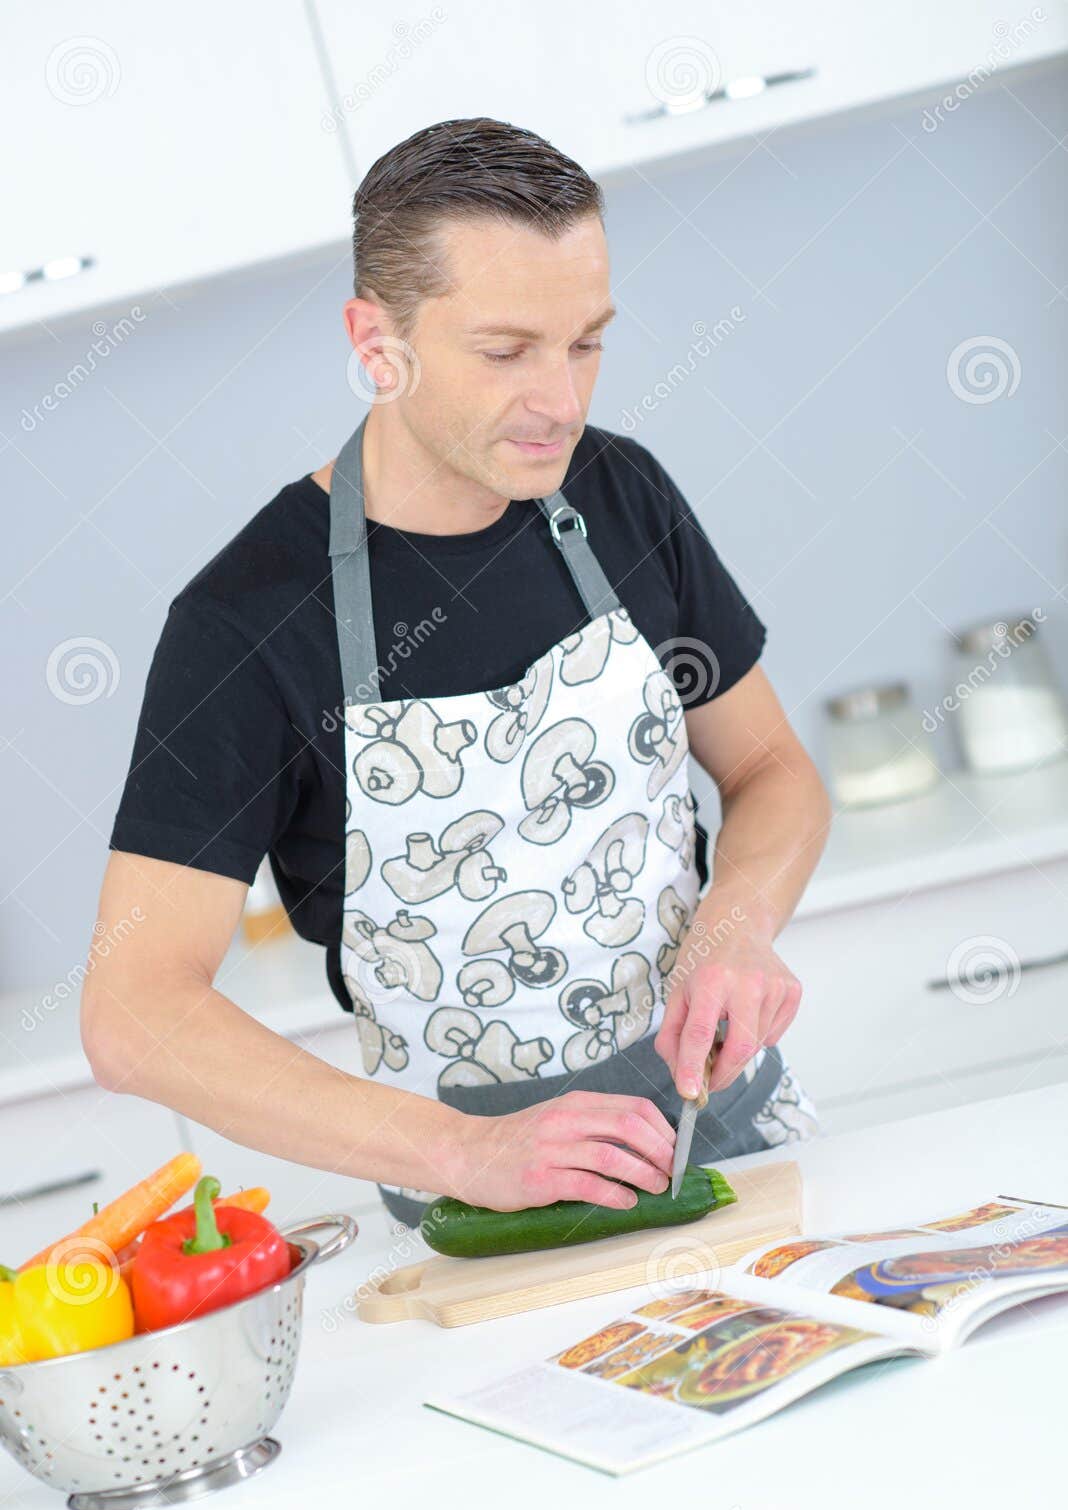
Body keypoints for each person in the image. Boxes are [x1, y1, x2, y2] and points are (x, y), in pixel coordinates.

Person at [82, 117, 831, 1228]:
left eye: (586, 343)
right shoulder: (247, 620)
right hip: (475, 1226)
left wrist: (738, 924)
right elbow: (132, 1014)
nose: (562, 402)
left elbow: (773, 769)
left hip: (734, 1152)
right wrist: (466, 1151)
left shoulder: (622, 495)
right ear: (377, 341)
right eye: (505, 351)